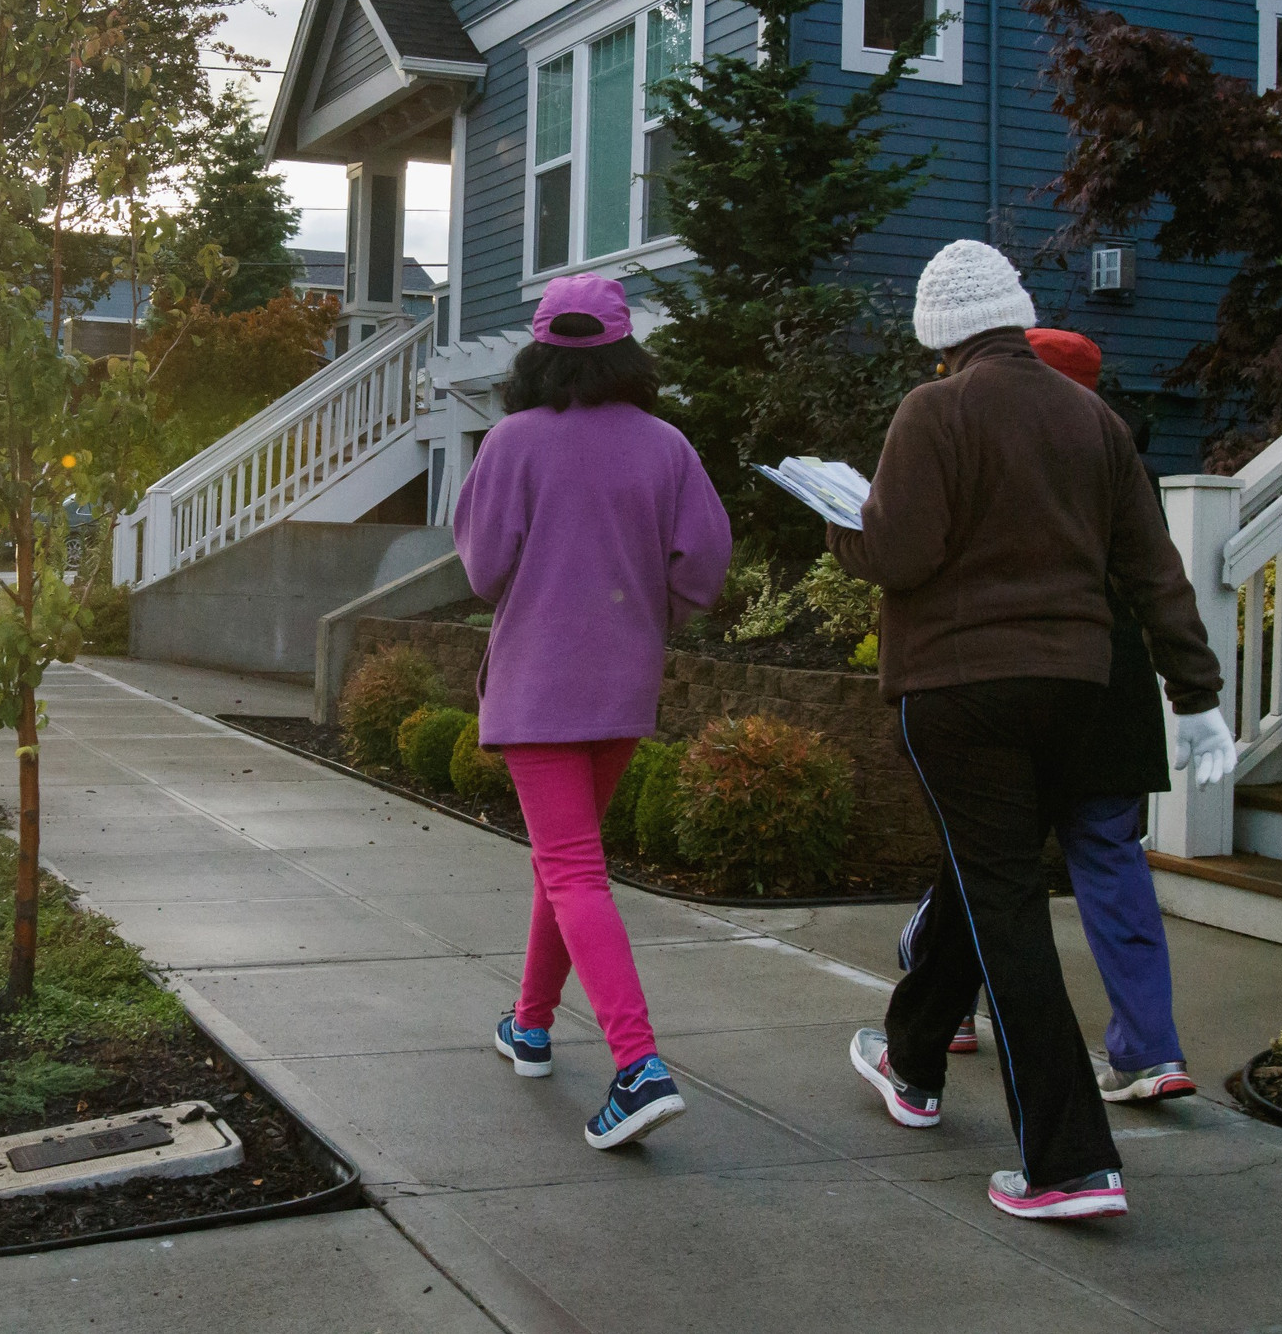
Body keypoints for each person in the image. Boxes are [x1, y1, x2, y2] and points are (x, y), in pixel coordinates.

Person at [830, 240, 1234, 1222]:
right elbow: (1153, 568)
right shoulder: (1090, 418)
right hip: (1074, 690)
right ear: (1010, 315)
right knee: (991, 879)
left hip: (959, 691)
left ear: (940, 334)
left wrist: (842, 516)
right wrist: (1197, 695)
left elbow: (901, 550)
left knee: (1005, 906)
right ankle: (912, 1056)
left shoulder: (934, 411)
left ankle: (1066, 1161)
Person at [454, 273, 732, 1150]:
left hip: (538, 685)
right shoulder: (666, 447)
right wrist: (650, 612)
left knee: (571, 870)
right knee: (562, 864)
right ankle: (529, 1026)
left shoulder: (511, 443)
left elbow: (482, 569)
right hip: (622, 687)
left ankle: (638, 1063)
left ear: (538, 354)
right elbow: (704, 568)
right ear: (625, 353)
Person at [896, 326, 1203, 1104]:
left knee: (985, 864)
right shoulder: (1113, 454)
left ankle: (949, 1010)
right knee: (1111, 864)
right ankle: (1150, 1048)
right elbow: (1159, 581)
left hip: (1007, 685)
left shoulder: (993, 452)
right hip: (1113, 692)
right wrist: (1196, 689)